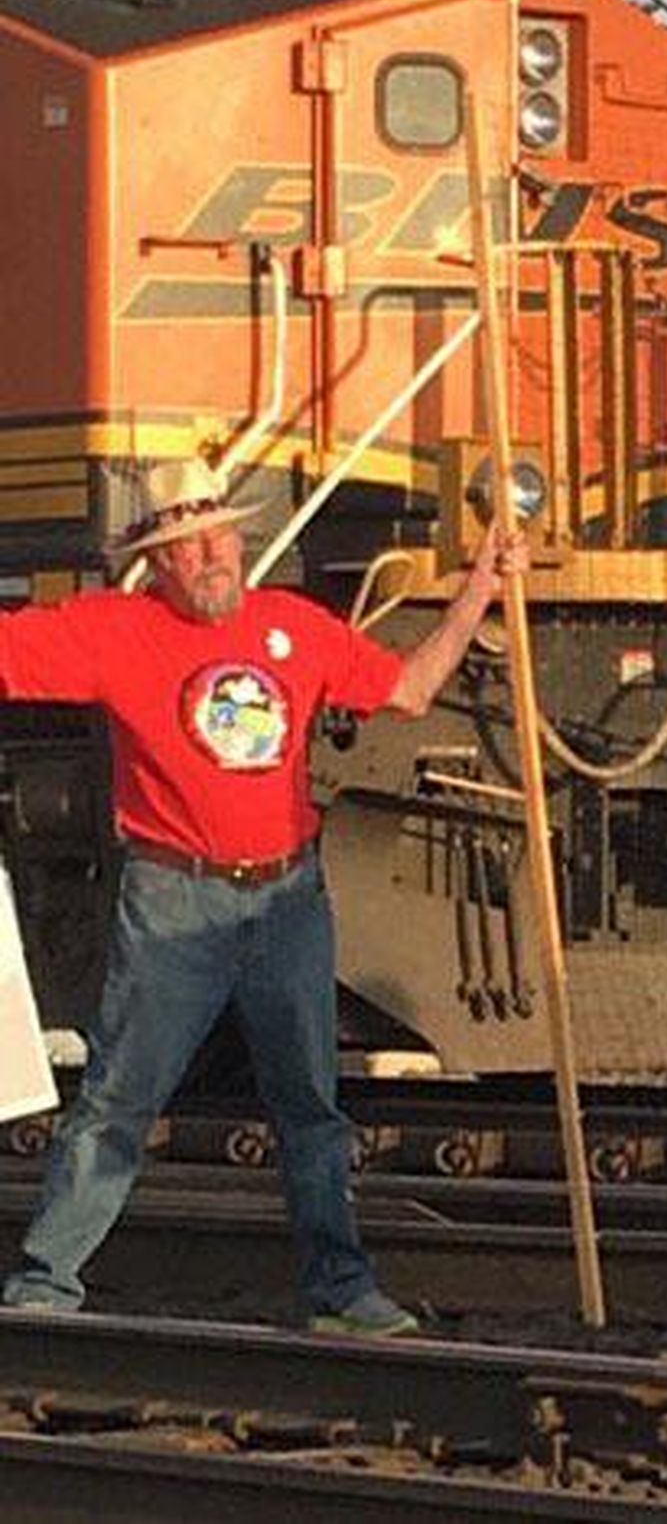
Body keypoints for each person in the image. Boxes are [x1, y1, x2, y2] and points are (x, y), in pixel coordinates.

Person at [0, 457, 521, 1333]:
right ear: (155, 562)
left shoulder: (295, 627)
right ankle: (46, 1282)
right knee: (119, 1103)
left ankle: (341, 1288)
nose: (210, 555)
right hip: (175, 903)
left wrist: (479, 593)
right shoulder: (112, 631)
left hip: (285, 901)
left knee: (310, 1106)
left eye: (219, 536)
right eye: (187, 544)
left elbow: (408, 688)